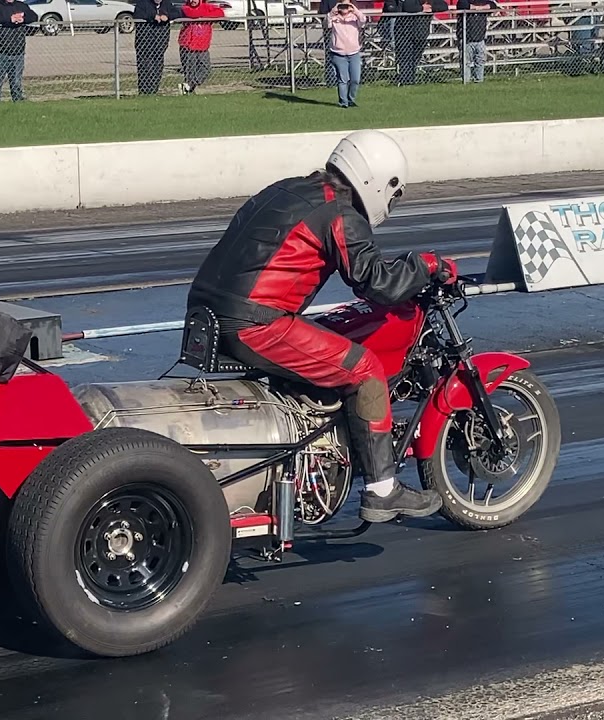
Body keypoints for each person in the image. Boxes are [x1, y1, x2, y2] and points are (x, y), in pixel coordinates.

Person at [187, 130, 458, 523]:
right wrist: (428, 265)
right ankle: (383, 490)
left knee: (324, 340)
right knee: (365, 369)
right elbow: (378, 285)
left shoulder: (289, 188)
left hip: (206, 312)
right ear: (380, 181)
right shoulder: (341, 214)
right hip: (255, 323)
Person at [0, 0, 37, 102]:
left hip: (17, 52)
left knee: (16, 82)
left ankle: (18, 102)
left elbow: (33, 16)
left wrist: (23, 18)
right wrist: (10, 19)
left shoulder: (21, 5)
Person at [178, 0, 224, 95]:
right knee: (190, 71)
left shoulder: (206, 7)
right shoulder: (185, 8)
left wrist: (204, 16)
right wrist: (205, 15)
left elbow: (220, 13)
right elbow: (193, 14)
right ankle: (189, 90)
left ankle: (189, 86)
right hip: (189, 47)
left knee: (205, 69)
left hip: (203, 46)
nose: (192, 1)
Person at [327, 0, 366, 108]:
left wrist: (354, 9)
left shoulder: (355, 17)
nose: (344, 8)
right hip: (338, 53)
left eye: (347, 5)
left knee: (355, 79)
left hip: (354, 53)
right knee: (343, 79)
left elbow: (363, 21)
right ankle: (343, 102)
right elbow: (326, 24)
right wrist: (333, 11)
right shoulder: (334, 18)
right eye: (342, 5)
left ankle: (351, 99)